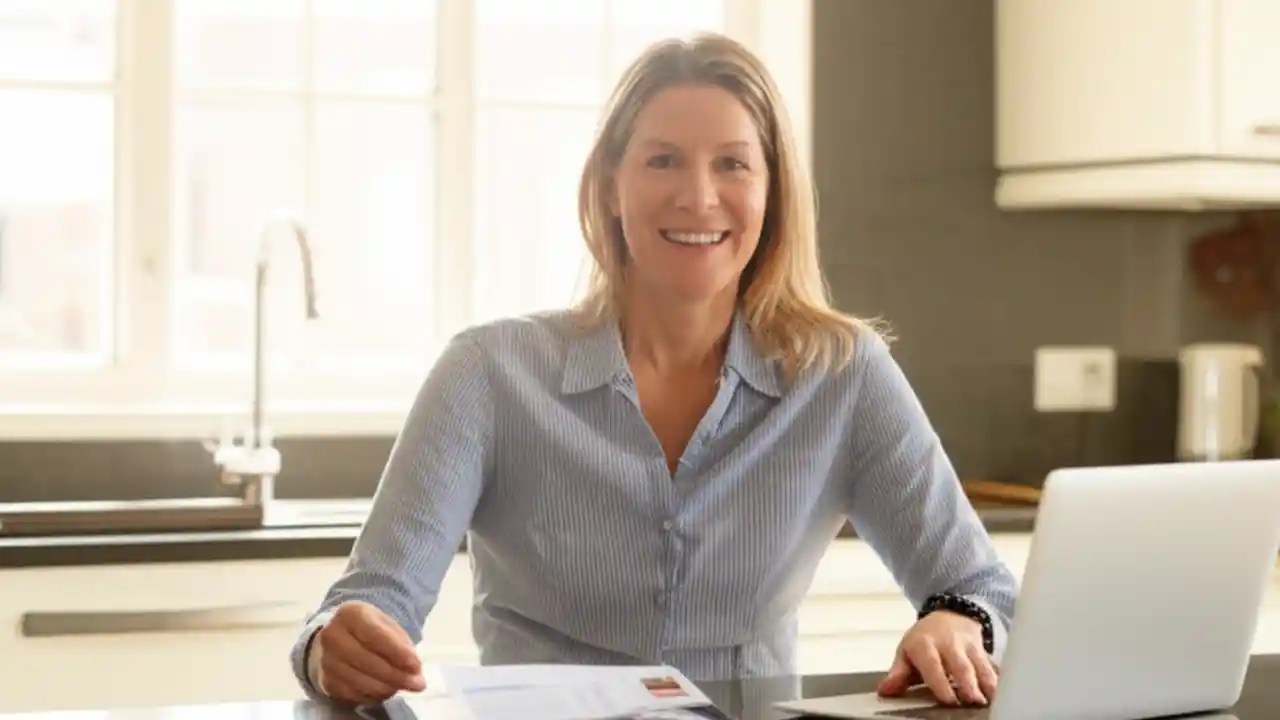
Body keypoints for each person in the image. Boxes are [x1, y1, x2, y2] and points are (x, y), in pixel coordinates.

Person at [289, 32, 1018, 709]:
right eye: (663, 159)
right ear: (611, 185)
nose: (698, 196)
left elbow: (981, 588)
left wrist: (960, 621)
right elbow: (368, 601)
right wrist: (334, 647)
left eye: (732, 162)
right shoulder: (488, 374)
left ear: (772, 191)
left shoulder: (845, 375)